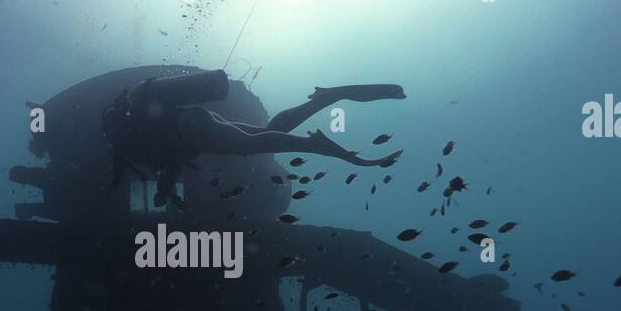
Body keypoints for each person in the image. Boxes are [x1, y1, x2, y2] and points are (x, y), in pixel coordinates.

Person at [104, 70, 406, 207]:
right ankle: (324, 99)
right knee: (266, 135)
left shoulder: (130, 147)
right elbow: (168, 164)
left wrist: (163, 191)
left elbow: (166, 163)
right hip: (197, 120)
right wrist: (165, 191)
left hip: (193, 130)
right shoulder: (133, 132)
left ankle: (316, 146)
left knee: (253, 146)